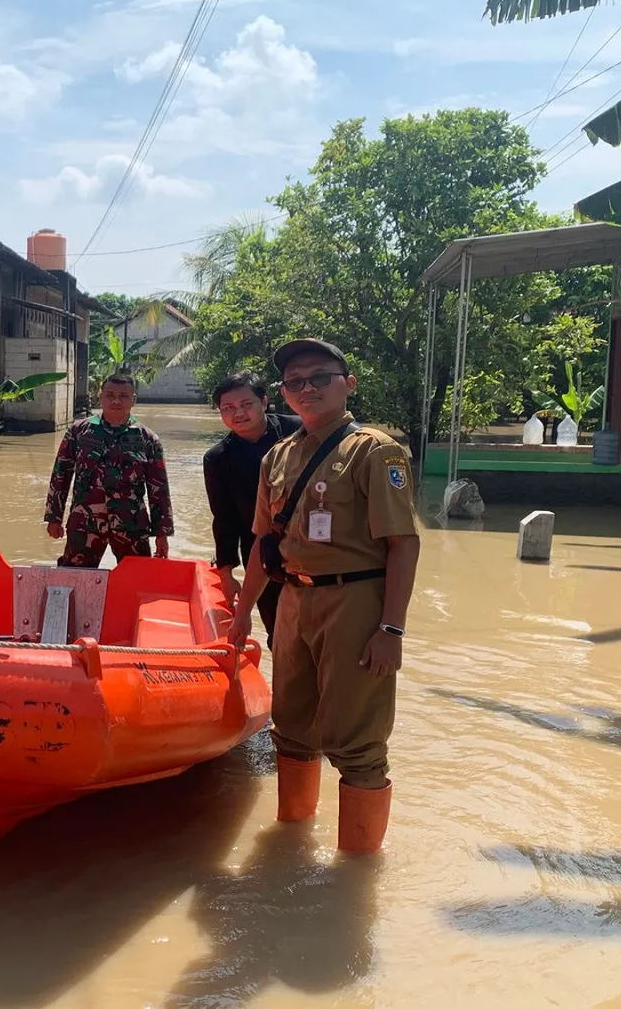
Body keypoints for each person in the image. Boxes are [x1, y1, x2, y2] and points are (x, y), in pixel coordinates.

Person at [227, 339, 420, 855]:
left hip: (355, 601)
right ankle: (291, 846)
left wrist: (392, 628)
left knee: (357, 741)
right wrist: (244, 610)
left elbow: (403, 544)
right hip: (293, 601)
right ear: (284, 396)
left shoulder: (374, 451)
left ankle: (356, 875)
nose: (306, 388)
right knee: (291, 729)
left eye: (319, 377)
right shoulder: (277, 457)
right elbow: (264, 547)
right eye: (295, 382)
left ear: (347, 383)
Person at [202, 371, 302, 640]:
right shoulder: (218, 458)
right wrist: (226, 573)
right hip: (262, 554)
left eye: (247, 404)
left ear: (265, 402)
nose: (239, 414)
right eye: (228, 408)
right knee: (277, 634)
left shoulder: (300, 431)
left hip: (312, 547)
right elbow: (223, 518)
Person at [43, 372, 173, 567]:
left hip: (131, 525)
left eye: (123, 396)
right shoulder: (78, 432)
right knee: (75, 578)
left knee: (137, 579)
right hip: (85, 523)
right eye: (110, 395)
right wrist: (54, 517)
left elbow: (159, 488)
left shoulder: (147, 438)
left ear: (133, 400)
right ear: (100, 397)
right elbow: (61, 474)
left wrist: (162, 533)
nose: (116, 401)